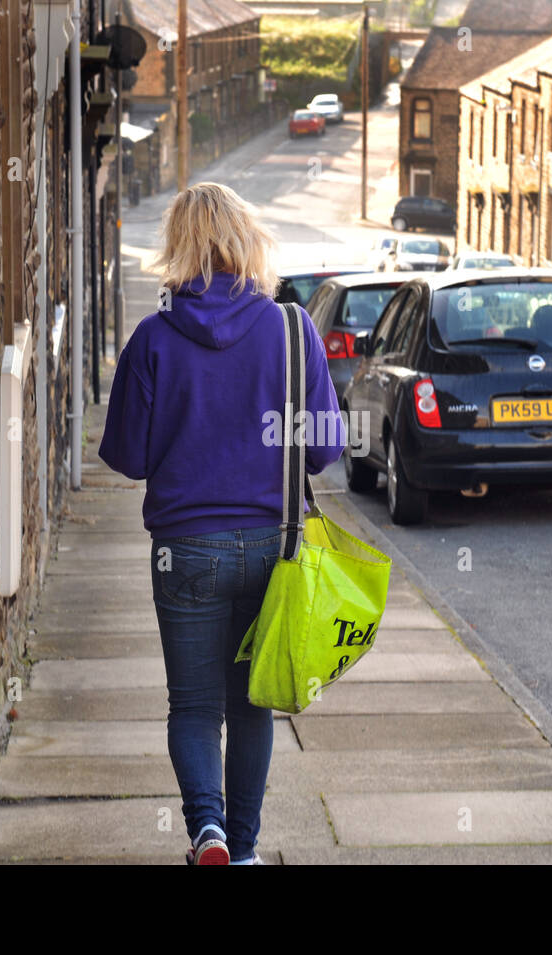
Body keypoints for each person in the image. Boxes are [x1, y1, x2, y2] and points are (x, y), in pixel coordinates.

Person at [98, 182, 345, 865]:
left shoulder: (152, 339)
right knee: (252, 705)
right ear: (247, 239)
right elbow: (325, 449)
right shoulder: (293, 331)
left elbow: (125, 455)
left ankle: (204, 829)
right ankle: (242, 853)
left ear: (178, 246)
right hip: (274, 547)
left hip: (185, 552)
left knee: (194, 706)